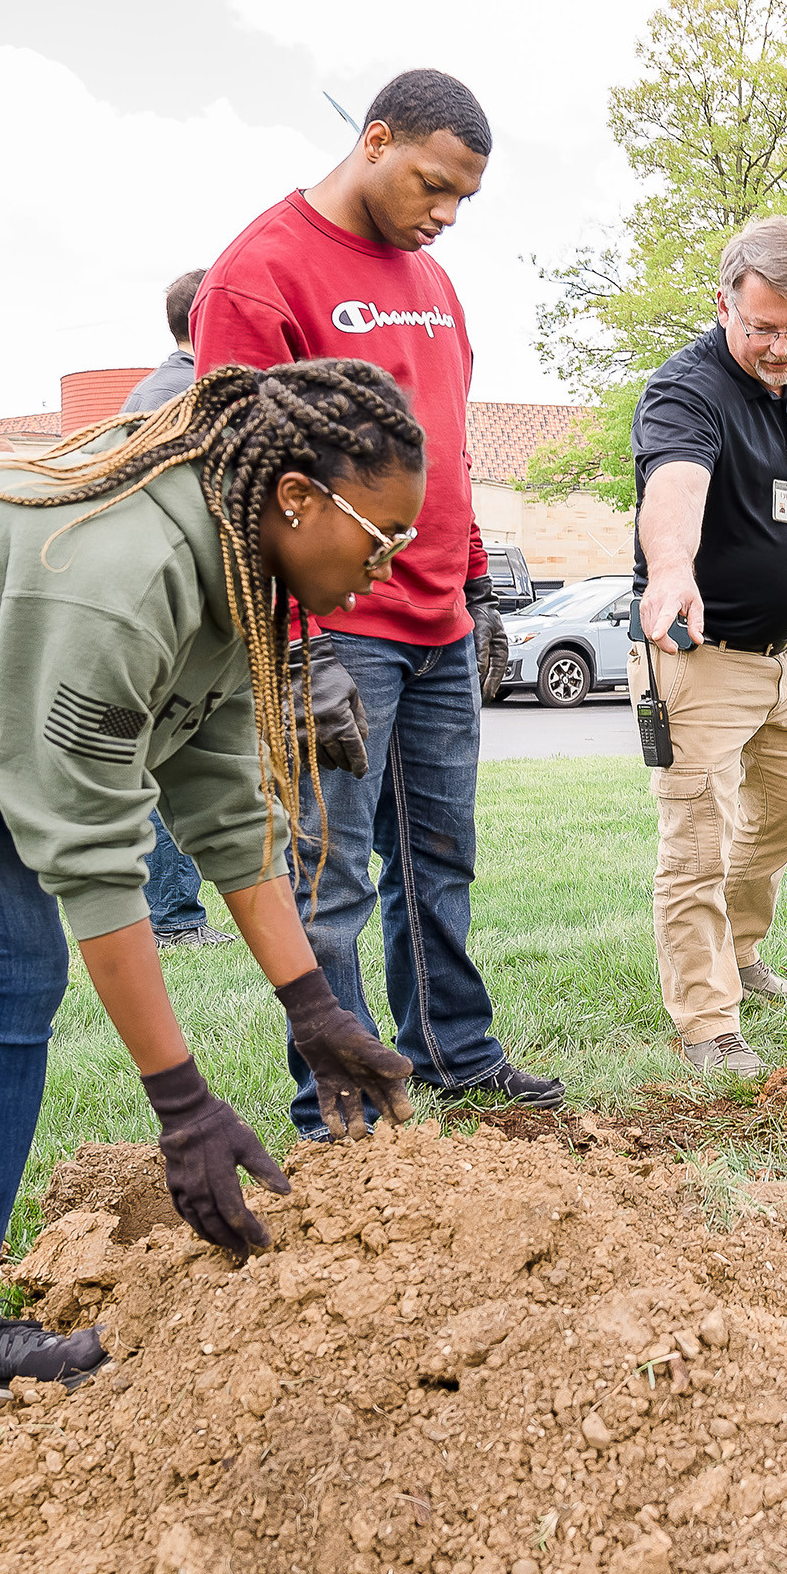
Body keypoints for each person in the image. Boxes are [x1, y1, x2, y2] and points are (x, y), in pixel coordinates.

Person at [0, 358, 433, 1392]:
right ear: (297, 497)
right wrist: (185, 1104)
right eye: (385, 538)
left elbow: (225, 806)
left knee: (12, 981)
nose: (394, 564)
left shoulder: (240, 574)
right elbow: (93, 855)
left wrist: (314, 1010)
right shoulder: (124, 577)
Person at [193, 68, 553, 1137]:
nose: (445, 216)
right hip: (337, 621)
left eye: (465, 201)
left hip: (439, 623)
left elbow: (445, 440)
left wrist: (478, 580)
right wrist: (295, 643)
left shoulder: (434, 283)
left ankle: (454, 1052)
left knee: (440, 857)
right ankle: (341, 1098)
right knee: (330, 874)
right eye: (435, 187)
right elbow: (237, 483)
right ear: (378, 140)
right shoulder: (260, 276)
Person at [629, 216, 787, 1077]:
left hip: (784, 653)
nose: (780, 346)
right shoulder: (684, 391)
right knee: (696, 842)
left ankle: (743, 953)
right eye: (761, 327)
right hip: (701, 652)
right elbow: (675, 483)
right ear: (724, 304)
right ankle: (706, 1023)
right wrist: (671, 568)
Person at [122, 267, 238, 949]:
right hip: (167, 607)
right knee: (165, 759)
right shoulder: (185, 396)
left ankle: (170, 912)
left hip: (153, 602)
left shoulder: (156, 388)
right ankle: (173, 916)